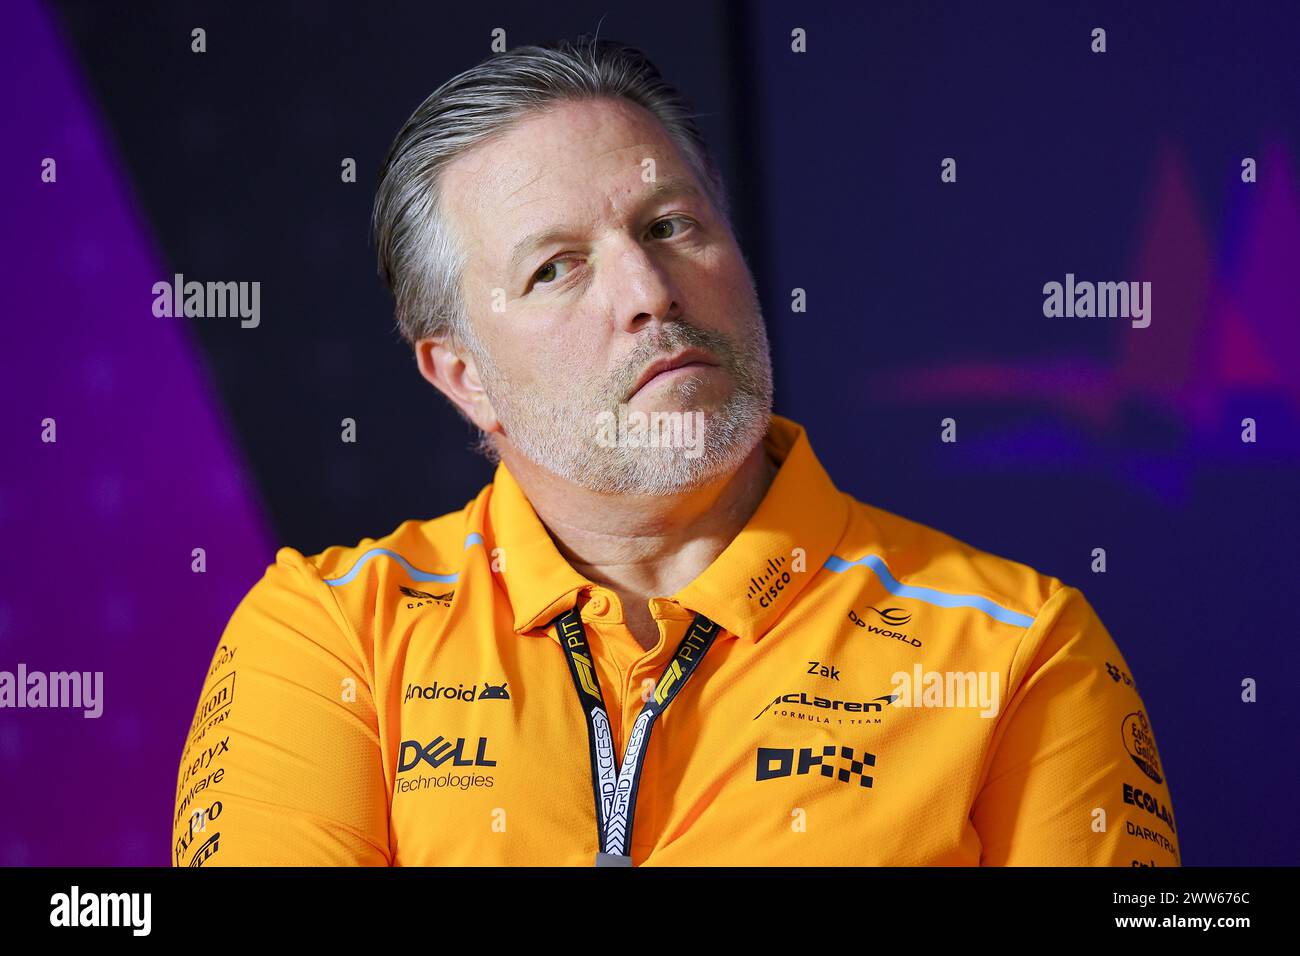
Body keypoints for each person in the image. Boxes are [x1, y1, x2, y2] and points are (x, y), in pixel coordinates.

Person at [172, 35, 1180, 867]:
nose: (649, 291)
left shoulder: (1017, 648)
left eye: (670, 225)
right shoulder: (330, 635)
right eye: (557, 268)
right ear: (462, 375)